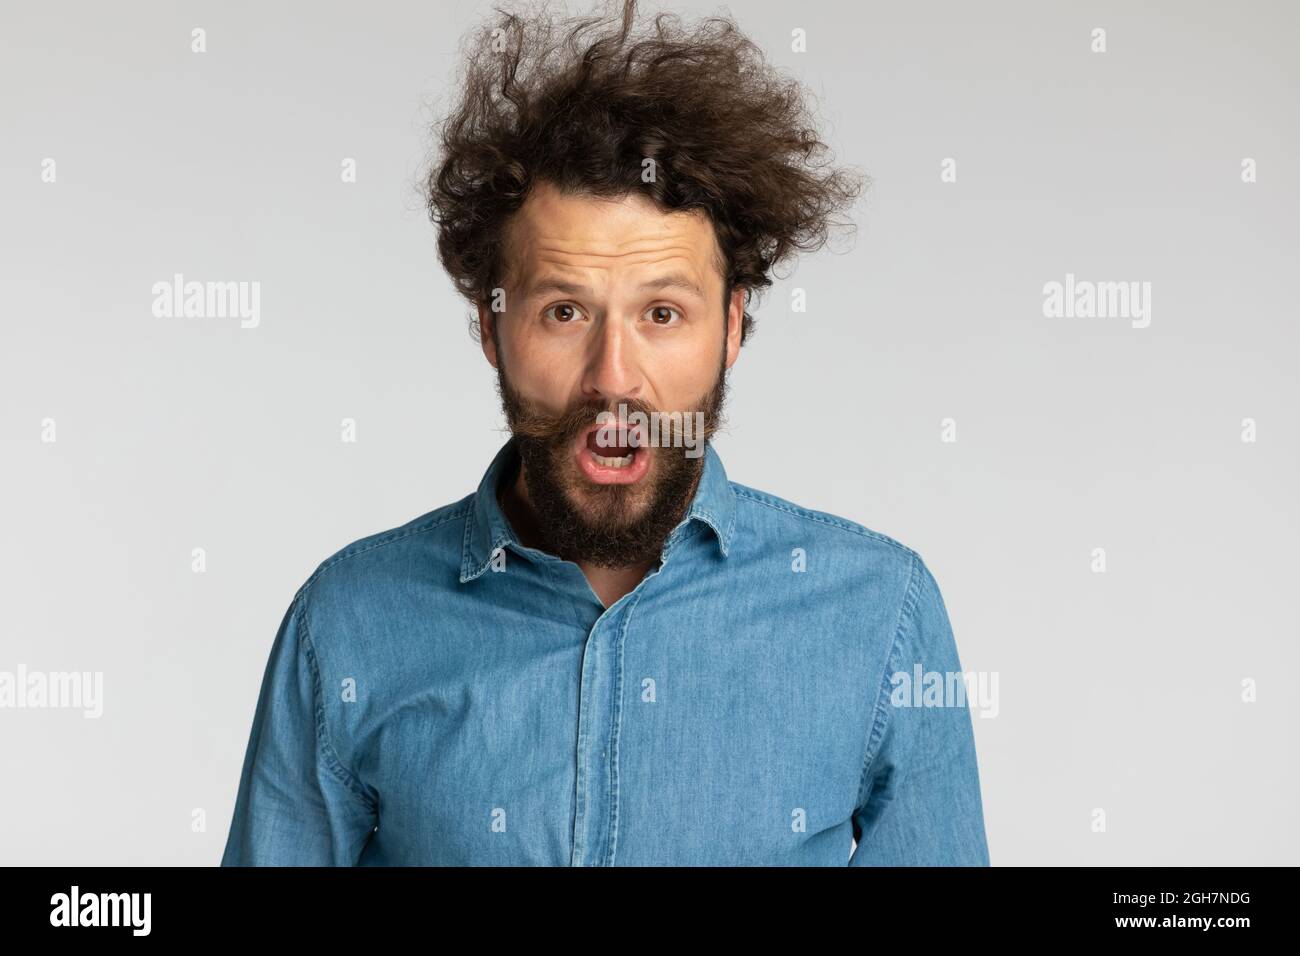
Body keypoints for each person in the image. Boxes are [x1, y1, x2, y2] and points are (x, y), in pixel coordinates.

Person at [221, 0, 989, 866]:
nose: (613, 376)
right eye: (563, 311)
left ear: (733, 326)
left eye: (663, 312)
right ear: (492, 326)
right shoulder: (349, 623)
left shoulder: (881, 614)